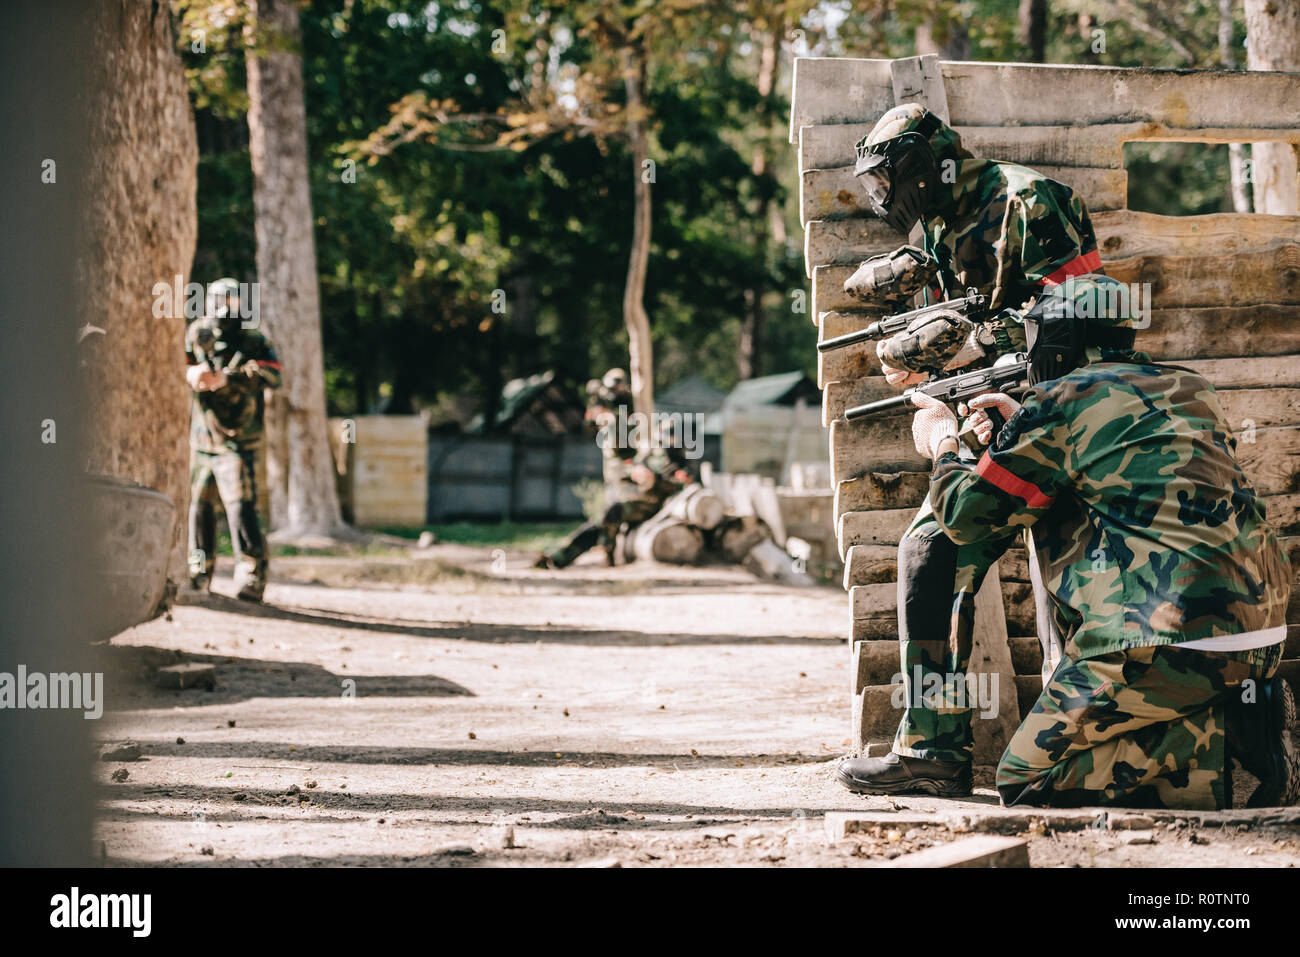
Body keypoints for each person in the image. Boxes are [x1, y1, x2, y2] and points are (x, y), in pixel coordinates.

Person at [852, 280, 1295, 809]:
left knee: (1025, 781)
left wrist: (943, 439)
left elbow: (965, 518)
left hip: (1157, 640)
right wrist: (1025, 423)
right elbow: (1117, 459)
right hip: (1262, 633)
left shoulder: (1058, 401)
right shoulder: (1190, 387)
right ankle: (1249, 714)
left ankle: (1222, 761)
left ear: (1059, 339)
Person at [836, 104, 1109, 795]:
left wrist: (980, 350)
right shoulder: (939, 229)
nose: (883, 197)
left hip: (1072, 424)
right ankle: (935, 747)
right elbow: (964, 323)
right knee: (928, 548)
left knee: (1063, 578)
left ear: (924, 169)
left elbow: (1076, 325)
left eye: (887, 180)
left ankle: (1074, 755)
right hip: (998, 420)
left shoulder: (1031, 203)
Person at [185, 278, 282, 602]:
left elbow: (273, 374)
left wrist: (231, 377)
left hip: (240, 441)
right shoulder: (197, 334)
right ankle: (199, 572)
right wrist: (192, 375)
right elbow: (178, 364)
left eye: (231, 300)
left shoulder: (253, 340)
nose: (225, 307)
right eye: (218, 299)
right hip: (202, 441)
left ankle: (252, 576)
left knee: (241, 511)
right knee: (198, 511)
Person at [535, 372, 692, 569]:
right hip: (632, 489)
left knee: (609, 515)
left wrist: (663, 477)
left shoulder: (671, 454)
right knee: (601, 521)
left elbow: (672, 479)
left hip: (650, 500)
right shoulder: (640, 440)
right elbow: (596, 429)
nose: (669, 438)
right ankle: (557, 558)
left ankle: (569, 557)